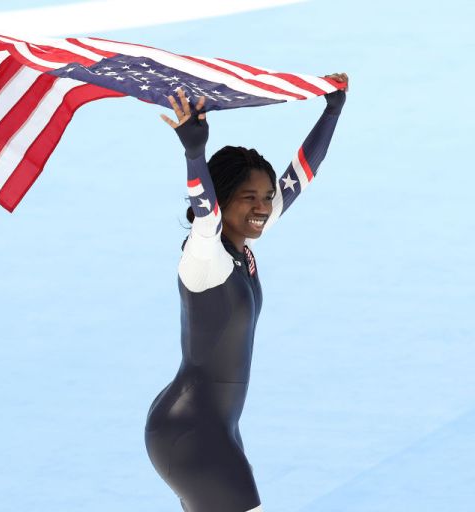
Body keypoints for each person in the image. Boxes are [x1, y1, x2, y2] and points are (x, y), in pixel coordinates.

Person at [143, 74, 349, 512]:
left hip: (215, 425)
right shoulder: (204, 258)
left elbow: (301, 175)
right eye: (248, 197)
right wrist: (194, 154)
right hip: (190, 429)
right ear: (223, 199)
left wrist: (331, 110)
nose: (262, 207)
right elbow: (204, 212)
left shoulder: (241, 245)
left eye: (265, 197)